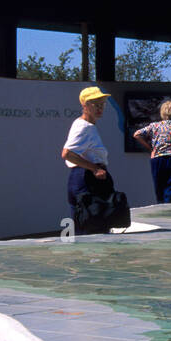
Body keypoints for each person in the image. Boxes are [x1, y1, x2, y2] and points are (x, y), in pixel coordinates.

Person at [61, 86, 116, 232]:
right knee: (92, 225)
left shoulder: (86, 125)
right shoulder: (84, 127)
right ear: (85, 106)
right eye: (95, 104)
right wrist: (95, 168)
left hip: (83, 177)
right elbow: (67, 153)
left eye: (102, 104)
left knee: (87, 223)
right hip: (87, 179)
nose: (100, 108)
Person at [133, 99, 171, 203]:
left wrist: (151, 149)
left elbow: (136, 134)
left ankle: (161, 209)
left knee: (159, 189)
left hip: (157, 159)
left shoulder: (154, 126)